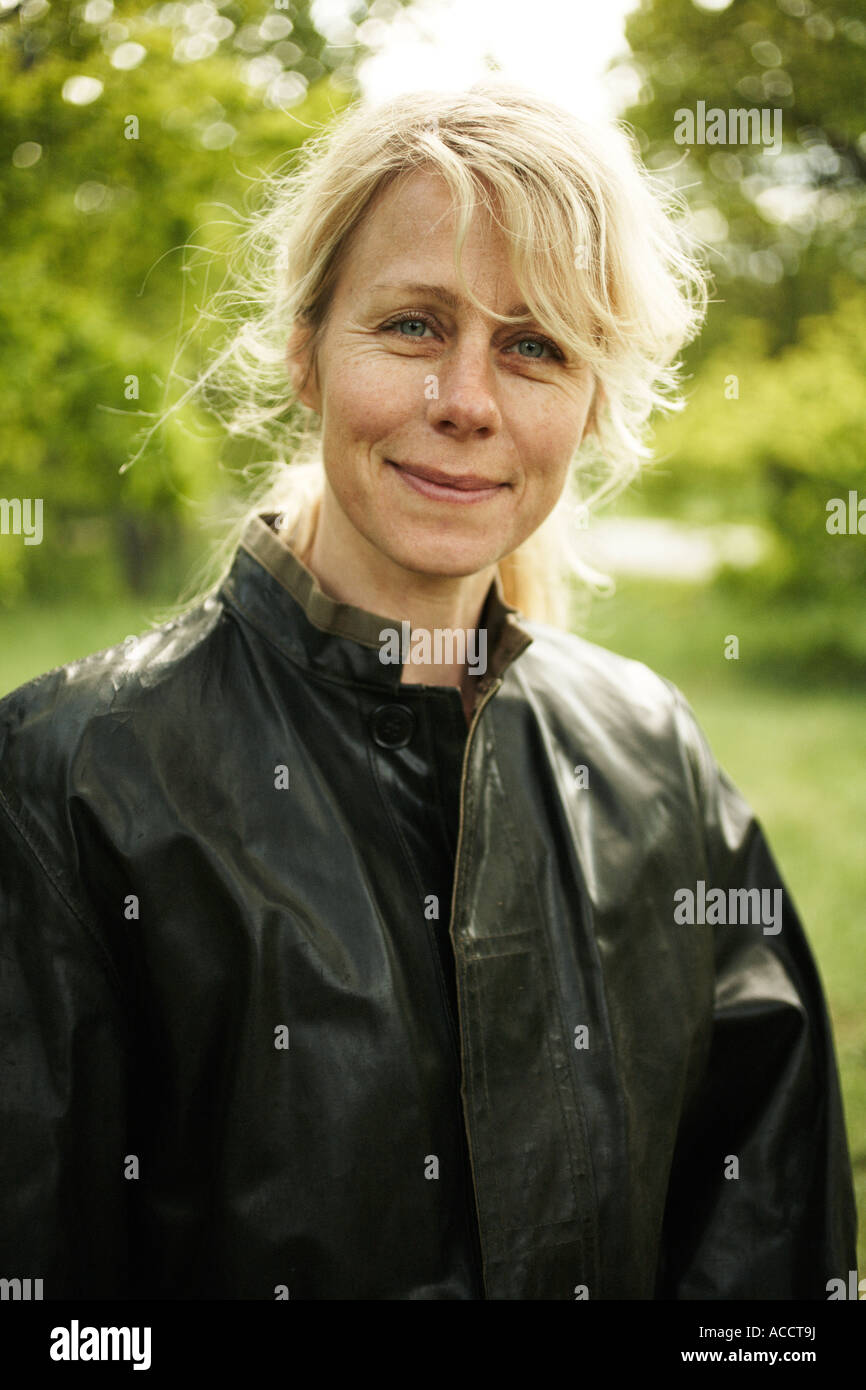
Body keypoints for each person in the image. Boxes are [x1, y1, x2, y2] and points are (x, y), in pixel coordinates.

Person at [0, 84, 856, 1301]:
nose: (466, 399)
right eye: (411, 325)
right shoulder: (69, 780)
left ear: (589, 403)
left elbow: (765, 1237)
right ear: (303, 350)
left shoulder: (651, 755)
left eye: (534, 344)